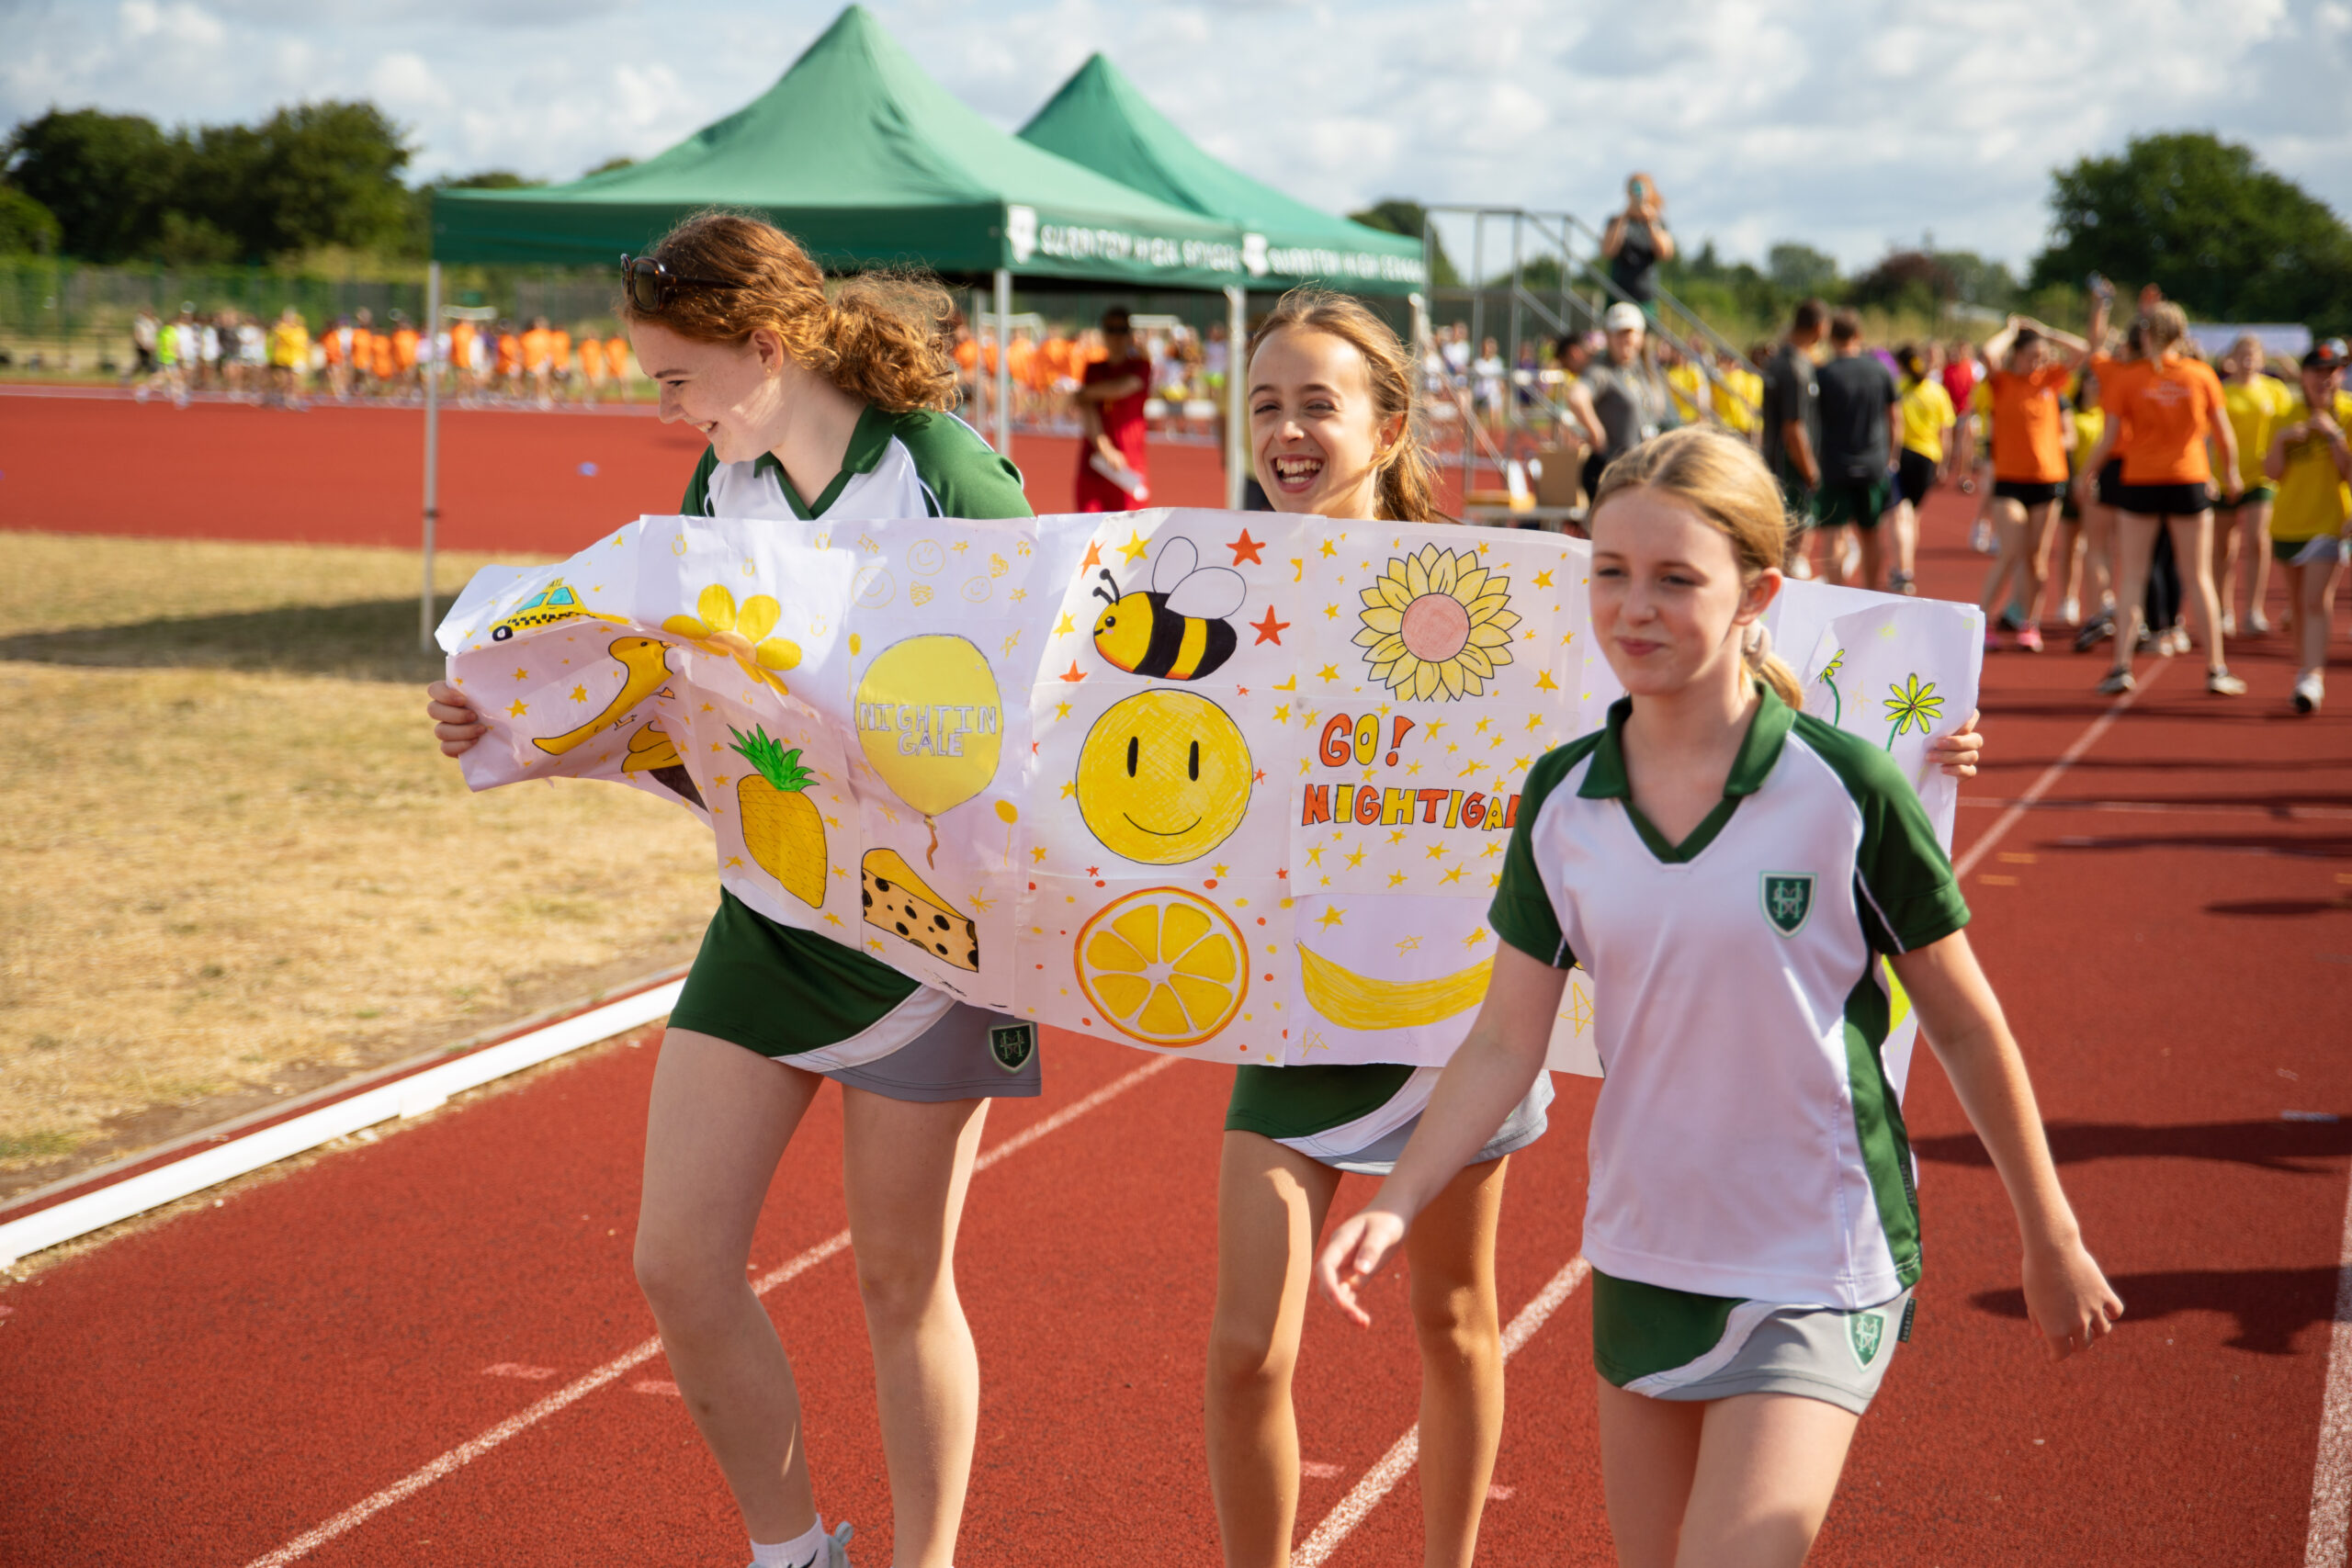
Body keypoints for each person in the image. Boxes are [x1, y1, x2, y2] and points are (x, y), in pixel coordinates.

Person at [1220, 288, 1982, 1568]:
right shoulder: (1220, 583)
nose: (1288, 430)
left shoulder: (1494, 585)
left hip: (1458, 1013)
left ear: (1387, 426)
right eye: (1264, 405)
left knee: (1453, 1319)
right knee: (1247, 1342)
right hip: (1295, 1011)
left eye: (1316, 403)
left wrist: (1911, 740)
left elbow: (1705, 659)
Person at [1316, 425, 2117, 1568]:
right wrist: (1396, 1200)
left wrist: (2051, 1234)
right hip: (1644, 1254)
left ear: (1758, 593)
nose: (1634, 608)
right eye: (1611, 571)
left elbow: (1963, 1021)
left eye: (1675, 579)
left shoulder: (1843, 790)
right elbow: (1501, 1042)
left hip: (1816, 1257)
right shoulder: (1562, 801)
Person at [424, 212, 1037, 1568]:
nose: (668, 413)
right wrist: (508, 713)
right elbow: (672, 690)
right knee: (677, 1261)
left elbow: (1038, 700)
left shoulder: (943, 472)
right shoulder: (722, 487)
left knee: (900, 1276)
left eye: (677, 380)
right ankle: (792, 1552)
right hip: (773, 910)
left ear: (764, 347)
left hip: (932, 932)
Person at [2091, 300, 2245, 695]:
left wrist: (2085, 473)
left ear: (2146, 334)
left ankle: (2121, 667)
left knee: (2133, 576)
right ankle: (2216, 668)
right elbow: (2223, 434)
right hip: (2188, 479)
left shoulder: (2129, 377)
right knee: (2199, 576)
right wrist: (2230, 473)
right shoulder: (2201, 374)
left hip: (2141, 481)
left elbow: (2109, 438)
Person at [1978, 305, 2100, 653]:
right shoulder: (2002, 382)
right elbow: (1988, 353)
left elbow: (2083, 350)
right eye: (2032, 355)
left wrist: (2045, 333)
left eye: (2042, 356)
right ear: (2017, 355)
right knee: (2010, 552)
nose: (2038, 361)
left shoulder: (2050, 381)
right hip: (2010, 482)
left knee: (2037, 560)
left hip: (2047, 482)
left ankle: (2029, 625)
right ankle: (1980, 623)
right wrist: (2012, 331)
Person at [2263, 343, 2352, 713]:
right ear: (2304, 376)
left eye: (2332, 372)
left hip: (2328, 523)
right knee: (2298, 604)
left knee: (2316, 600)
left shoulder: (2348, 413)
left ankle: (2313, 676)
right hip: (2287, 522)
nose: (2325, 379)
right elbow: (2272, 472)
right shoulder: (2285, 414)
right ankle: (2305, 669)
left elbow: (2348, 472)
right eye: (2317, 371)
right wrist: (2283, 439)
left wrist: (2333, 435)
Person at [1814, 310, 1901, 590]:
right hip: (1872, 463)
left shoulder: (1824, 373)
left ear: (1831, 337)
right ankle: (1871, 591)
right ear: (1858, 335)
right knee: (1871, 533)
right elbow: (1895, 418)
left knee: (1833, 533)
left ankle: (1833, 593)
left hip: (1835, 464)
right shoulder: (1880, 370)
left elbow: (1814, 422)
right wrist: (1892, 456)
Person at [2219, 334, 2293, 636]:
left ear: (2262, 360)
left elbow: (2290, 424)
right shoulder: (2223, 391)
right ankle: (2223, 610)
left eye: (2253, 356)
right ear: (2232, 359)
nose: (2248, 361)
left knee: (2259, 540)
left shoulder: (2275, 391)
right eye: (2242, 355)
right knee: (2224, 546)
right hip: (2224, 475)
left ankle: (2253, 610)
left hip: (2262, 477)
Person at [1577, 302, 1680, 503]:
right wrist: (1595, 431)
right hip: (1613, 468)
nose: (1625, 340)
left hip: (1644, 468)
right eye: (1619, 334)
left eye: (1630, 333)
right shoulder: (1602, 370)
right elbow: (1577, 396)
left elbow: (1666, 416)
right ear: (1608, 336)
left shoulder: (1645, 370)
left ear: (1641, 336)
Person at [1759, 299, 1826, 570]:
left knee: (1787, 547)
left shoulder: (1790, 361)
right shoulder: (1792, 367)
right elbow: (1793, 427)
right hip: (1789, 466)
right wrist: (1812, 472)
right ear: (1819, 327)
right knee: (1790, 550)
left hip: (1784, 463)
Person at [1890, 342, 1954, 595]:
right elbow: (1945, 432)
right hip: (1928, 456)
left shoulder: (1900, 388)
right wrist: (1943, 464)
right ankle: (1907, 566)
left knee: (1900, 514)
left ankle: (1902, 569)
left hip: (1903, 454)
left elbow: (1892, 423)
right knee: (1914, 516)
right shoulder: (1937, 392)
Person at [1072, 305, 1151, 510]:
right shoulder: (1094, 369)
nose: (1116, 336)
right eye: (1110, 330)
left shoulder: (1141, 366)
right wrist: (1105, 448)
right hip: (1096, 461)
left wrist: (1086, 392)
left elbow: (1123, 387)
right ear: (1103, 334)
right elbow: (1087, 408)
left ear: (1130, 335)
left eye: (1121, 330)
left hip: (1129, 463)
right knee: (1088, 526)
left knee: (1131, 527)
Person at [1600, 174, 1675, 314]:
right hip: (1618, 292)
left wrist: (1651, 221)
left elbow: (1665, 253)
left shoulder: (1658, 222)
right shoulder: (1616, 220)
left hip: (1645, 294)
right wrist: (1624, 217)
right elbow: (1608, 250)